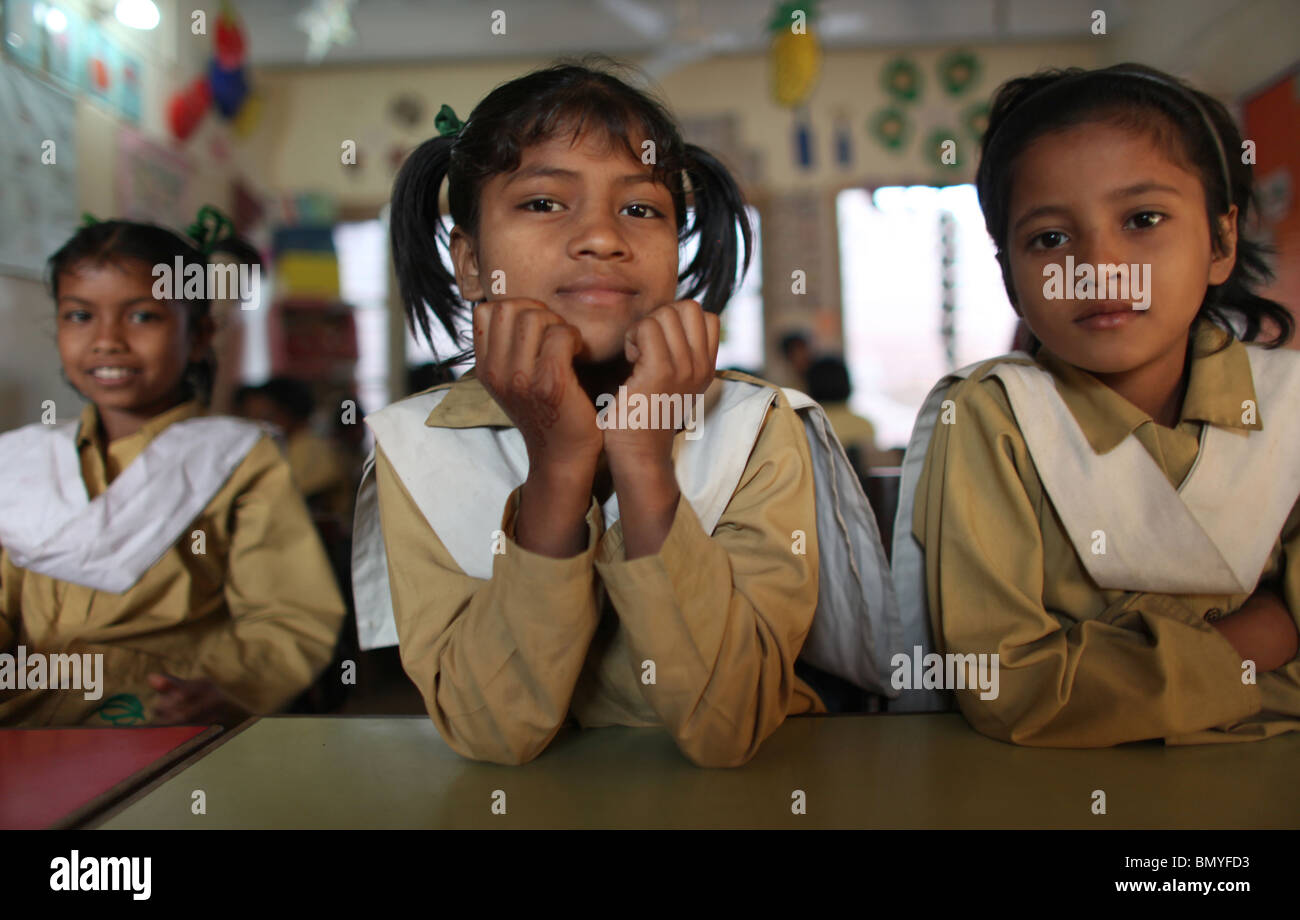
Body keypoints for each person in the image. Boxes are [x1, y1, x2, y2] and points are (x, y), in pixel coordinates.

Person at [351, 58, 900, 766]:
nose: (604, 237)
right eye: (544, 203)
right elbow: (494, 732)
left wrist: (643, 460)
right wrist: (558, 466)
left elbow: (730, 727)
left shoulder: (757, 426)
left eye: (641, 208)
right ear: (469, 261)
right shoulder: (414, 448)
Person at [894, 64, 1300, 744]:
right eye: (1050, 239)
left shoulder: (1289, 404)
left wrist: (1103, 682)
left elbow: (1056, 695)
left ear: (1222, 241)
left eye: (1143, 219)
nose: (1099, 268)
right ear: (1010, 277)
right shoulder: (993, 421)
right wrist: (1260, 637)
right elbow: (1010, 691)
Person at [0, 212, 346, 727]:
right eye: (79, 316)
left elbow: (288, 618)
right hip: (23, 723)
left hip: (158, 720)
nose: (107, 340)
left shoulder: (236, 460)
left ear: (200, 333)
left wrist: (228, 685)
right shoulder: (22, 459)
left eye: (142, 317)